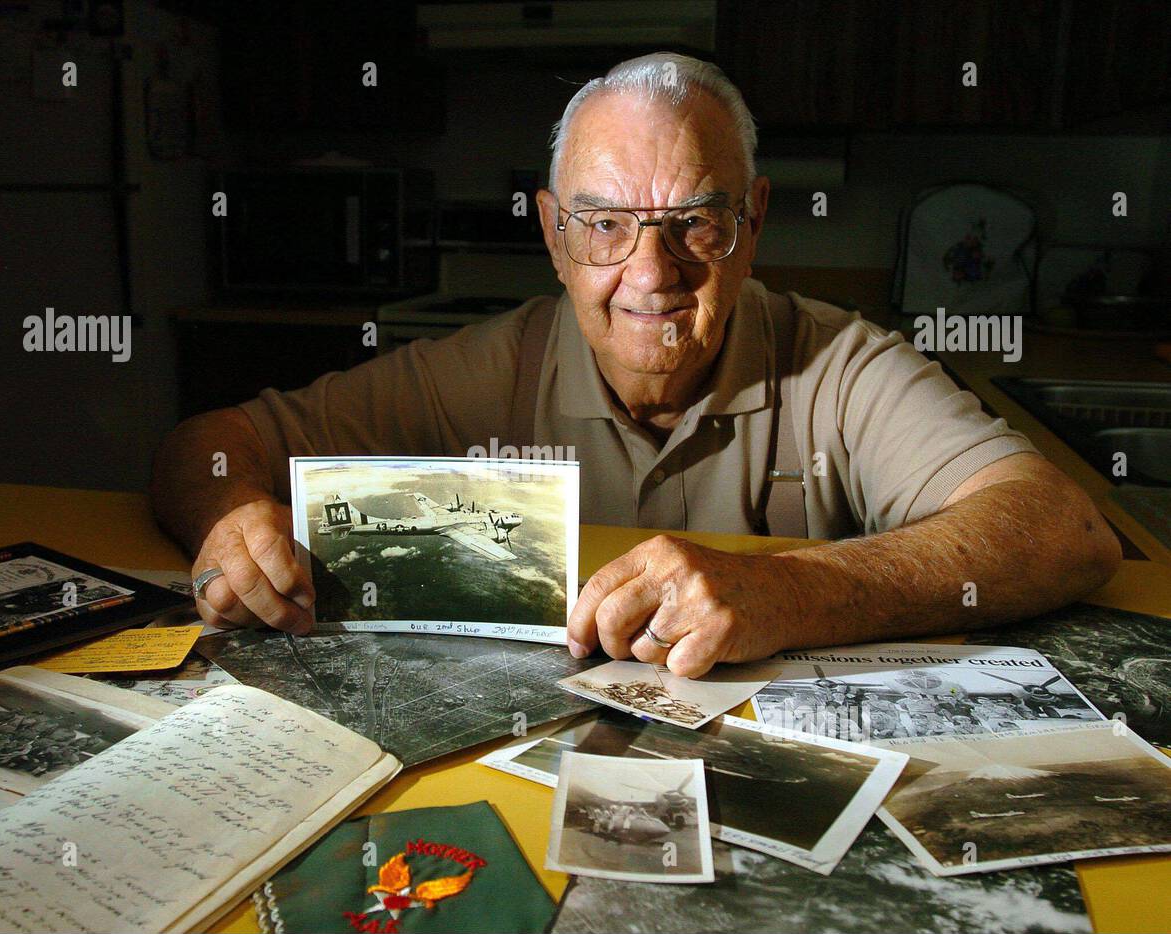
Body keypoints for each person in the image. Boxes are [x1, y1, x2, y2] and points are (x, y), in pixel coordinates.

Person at [151, 52, 1120, 678]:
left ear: (751, 225)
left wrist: (785, 591)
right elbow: (210, 443)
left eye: (693, 222)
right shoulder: (492, 368)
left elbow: (1059, 527)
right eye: (605, 226)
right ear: (553, 235)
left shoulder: (838, 365)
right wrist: (233, 520)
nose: (648, 274)